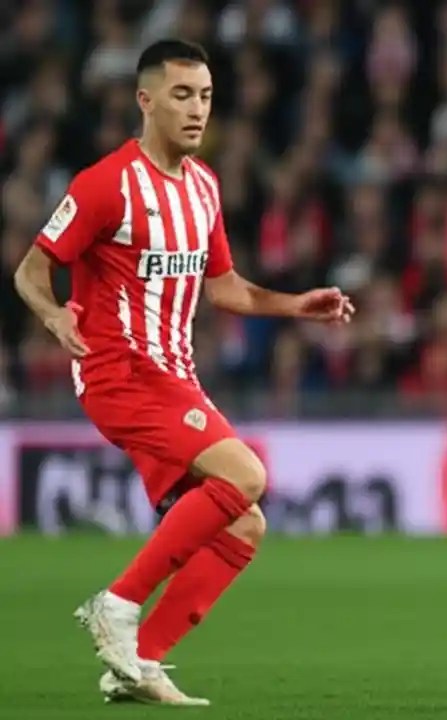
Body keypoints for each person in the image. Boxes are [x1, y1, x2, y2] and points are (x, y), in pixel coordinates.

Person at [12, 39, 355, 706]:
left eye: (204, 96)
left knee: (245, 523)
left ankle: (137, 663)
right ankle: (117, 605)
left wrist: (295, 305)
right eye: (181, 95)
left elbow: (225, 288)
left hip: (174, 376)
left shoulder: (203, 187)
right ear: (145, 100)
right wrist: (54, 318)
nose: (197, 109)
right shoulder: (104, 185)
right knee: (247, 474)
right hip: (119, 373)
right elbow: (30, 270)